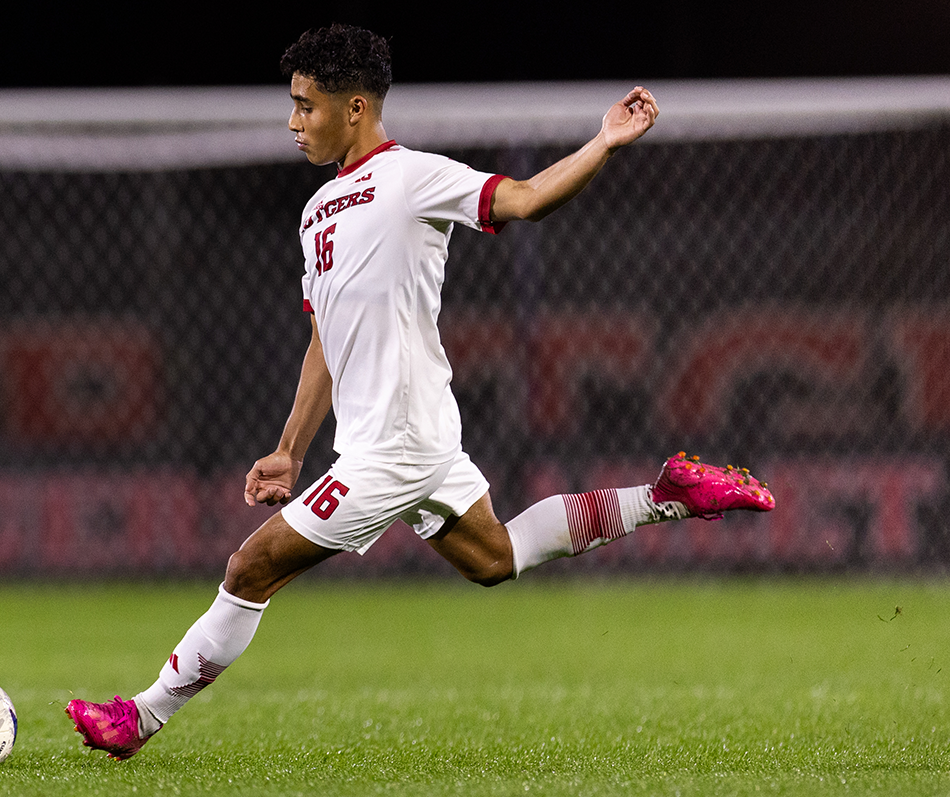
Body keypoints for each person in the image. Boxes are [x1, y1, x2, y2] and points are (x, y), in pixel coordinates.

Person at [66, 23, 774, 760]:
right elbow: (324, 342)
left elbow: (526, 199)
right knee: (494, 556)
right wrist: (287, 449)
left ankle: (139, 717)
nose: (292, 121)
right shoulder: (315, 214)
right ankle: (665, 493)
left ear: (356, 108)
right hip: (413, 434)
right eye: (292, 103)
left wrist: (603, 143)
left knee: (251, 566)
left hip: (396, 443)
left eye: (307, 105)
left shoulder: (413, 177)